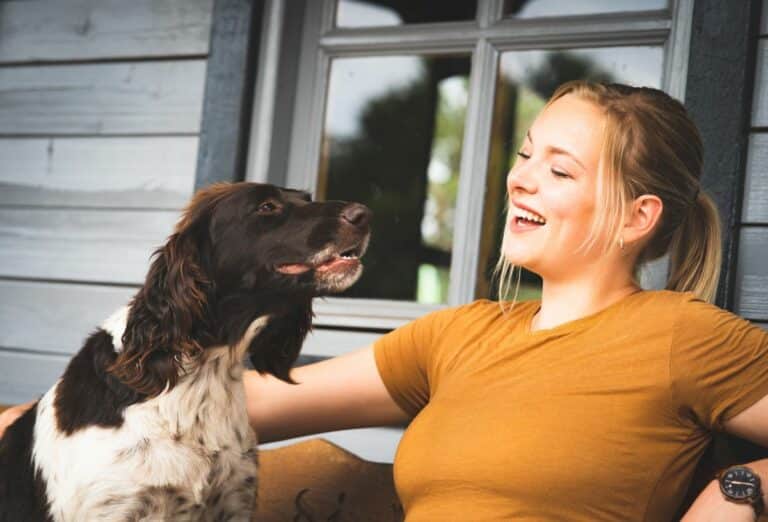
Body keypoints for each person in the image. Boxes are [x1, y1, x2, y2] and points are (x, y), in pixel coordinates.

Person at [2, 80, 768, 521]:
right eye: (526, 155)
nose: (520, 179)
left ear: (639, 217)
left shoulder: (685, 338)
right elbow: (236, 398)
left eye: (558, 171)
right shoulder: (460, 337)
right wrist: (31, 424)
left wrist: (740, 490)